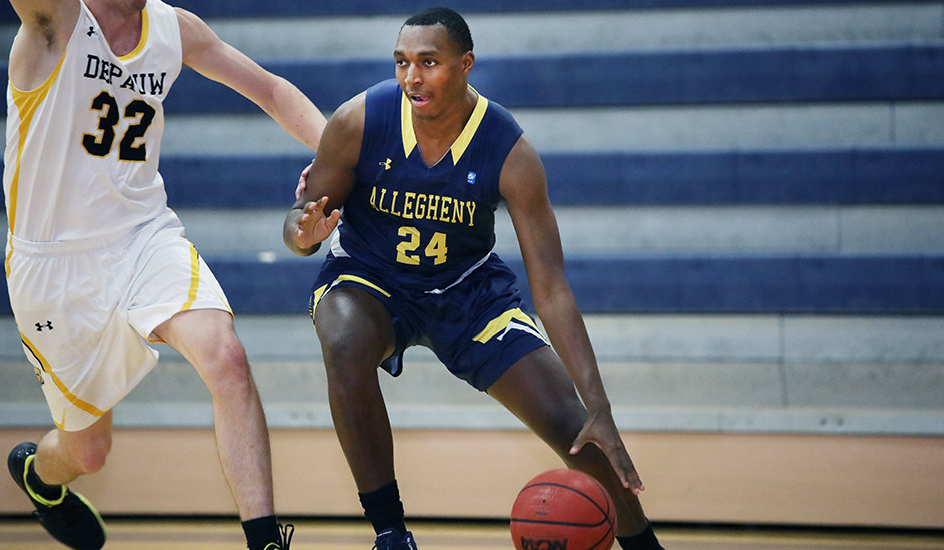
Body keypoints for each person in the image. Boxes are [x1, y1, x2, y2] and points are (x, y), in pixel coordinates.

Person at [283, 7, 665, 550]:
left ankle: (645, 544)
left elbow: (551, 288)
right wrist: (303, 234)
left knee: (570, 422)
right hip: (371, 278)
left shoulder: (509, 150)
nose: (412, 77)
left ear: (465, 66)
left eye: (429, 63)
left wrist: (599, 406)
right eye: (401, 63)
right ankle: (391, 535)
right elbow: (296, 223)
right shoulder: (359, 120)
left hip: (468, 291)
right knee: (342, 339)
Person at [1, 0, 325, 548]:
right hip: (52, 267)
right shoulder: (54, 18)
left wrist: (334, 156)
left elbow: (271, 90)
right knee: (87, 453)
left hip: (142, 236)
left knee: (225, 355)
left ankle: (265, 540)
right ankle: (39, 476)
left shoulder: (174, 28)